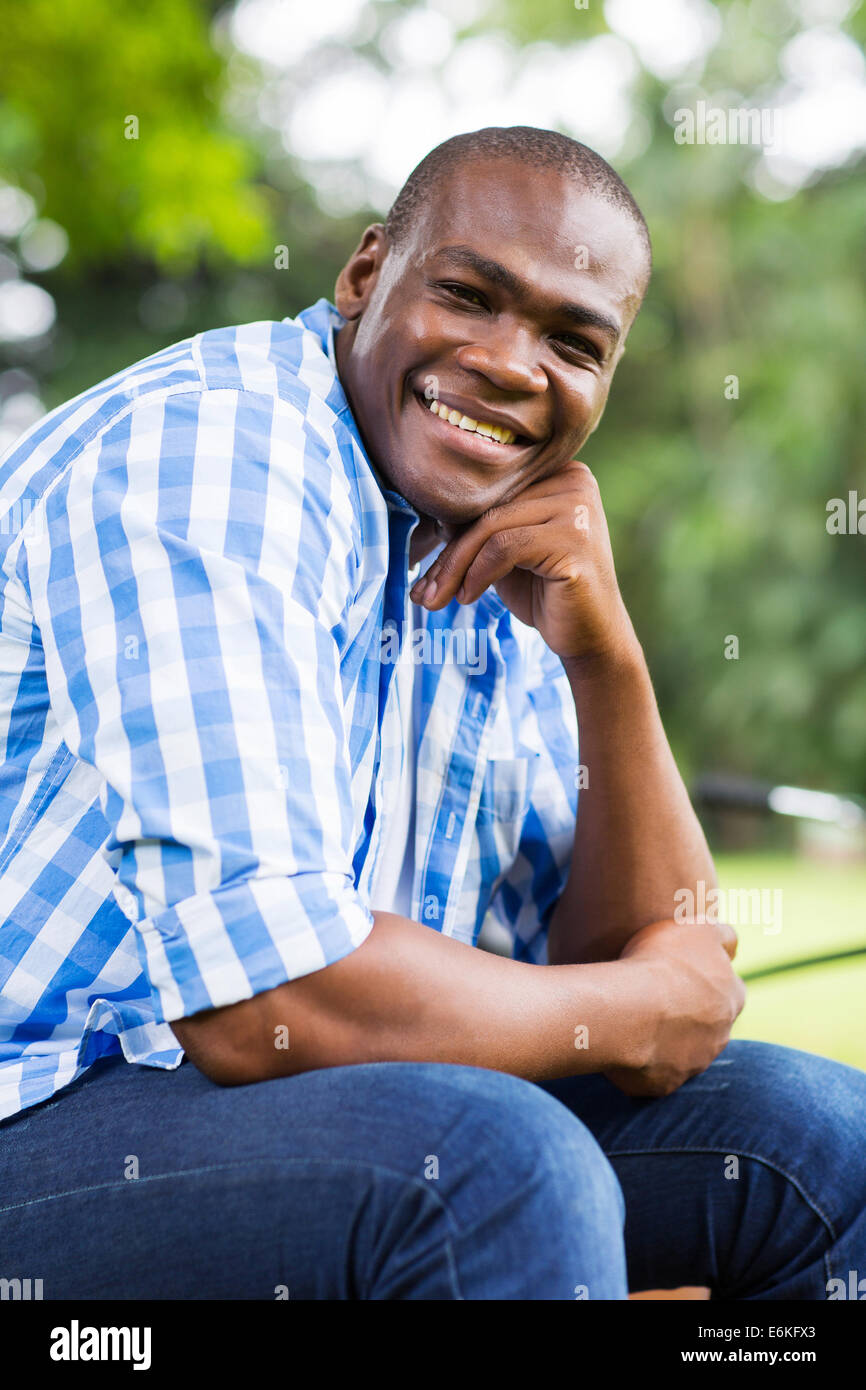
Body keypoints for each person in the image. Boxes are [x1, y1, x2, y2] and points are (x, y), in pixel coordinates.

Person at [0, 126, 863, 1301]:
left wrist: (604, 658)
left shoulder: (502, 543)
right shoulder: (212, 459)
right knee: (491, 1163)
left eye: (573, 341)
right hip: (46, 1112)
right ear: (364, 276)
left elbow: (633, 965)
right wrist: (633, 1006)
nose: (512, 364)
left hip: (320, 1113)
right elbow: (269, 1005)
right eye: (468, 295)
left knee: (815, 1140)